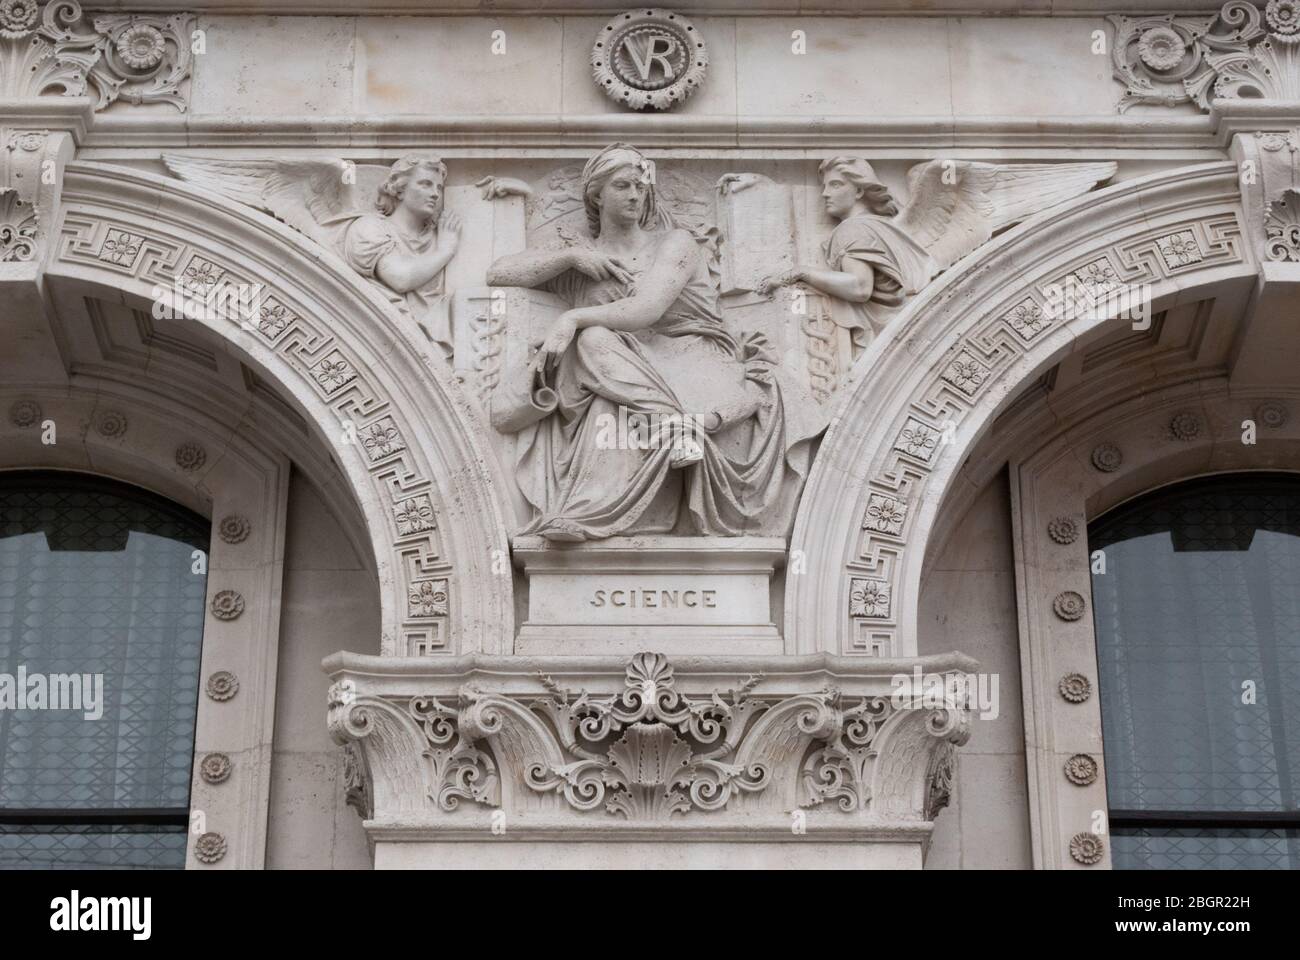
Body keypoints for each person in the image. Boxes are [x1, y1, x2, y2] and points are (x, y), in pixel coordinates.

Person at [486, 143, 825, 542]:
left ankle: (647, 453)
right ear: (596, 195)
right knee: (600, 380)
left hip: (689, 357)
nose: (635, 195)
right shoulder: (583, 258)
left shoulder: (675, 243)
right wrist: (569, 258)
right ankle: (650, 453)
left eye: (640, 187)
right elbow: (499, 273)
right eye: (622, 186)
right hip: (617, 369)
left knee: (593, 343)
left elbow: (647, 308)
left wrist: (571, 318)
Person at [757, 156, 934, 356]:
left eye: (835, 185)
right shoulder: (877, 225)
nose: (825, 193)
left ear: (859, 191)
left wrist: (801, 272)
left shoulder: (854, 227)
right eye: (824, 186)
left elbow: (860, 287)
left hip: (887, 338)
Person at [342, 156, 462, 361]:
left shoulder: (441, 234)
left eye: (439, 188)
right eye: (425, 184)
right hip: (382, 344)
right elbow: (400, 278)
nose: (435, 193)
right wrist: (445, 251)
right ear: (399, 189)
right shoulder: (369, 228)